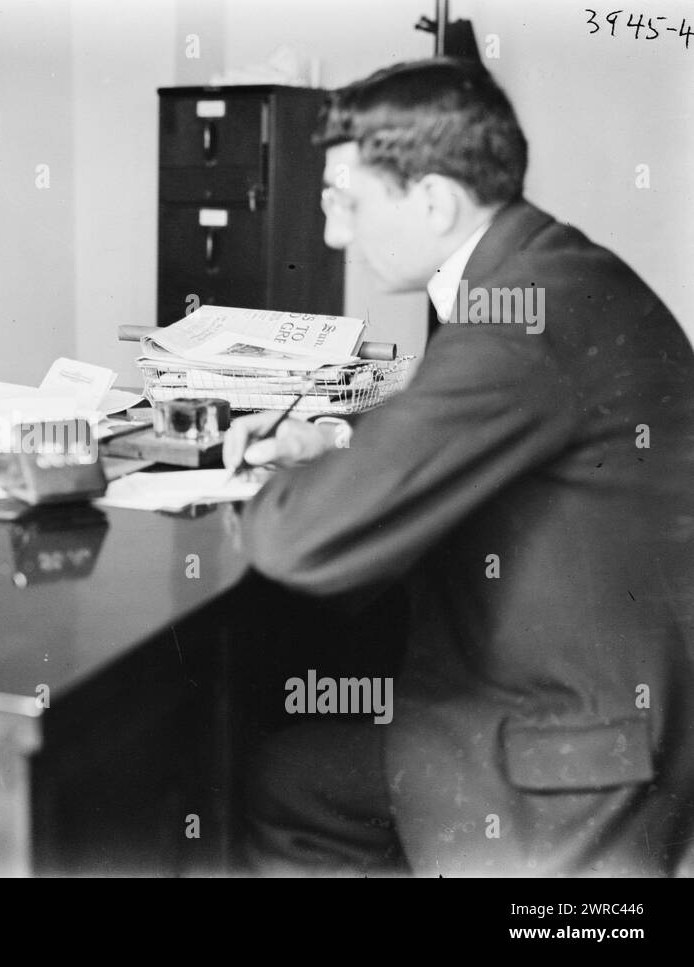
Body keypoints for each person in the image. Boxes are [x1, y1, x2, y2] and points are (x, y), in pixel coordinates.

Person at [224, 58, 694, 876]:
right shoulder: (546, 269)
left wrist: (263, 485)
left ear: (434, 199)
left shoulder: (519, 314)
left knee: (279, 771)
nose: (335, 234)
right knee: (291, 780)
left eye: (347, 203)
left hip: (575, 754)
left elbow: (297, 541)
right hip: (606, 698)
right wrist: (337, 438)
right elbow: (465, 416)